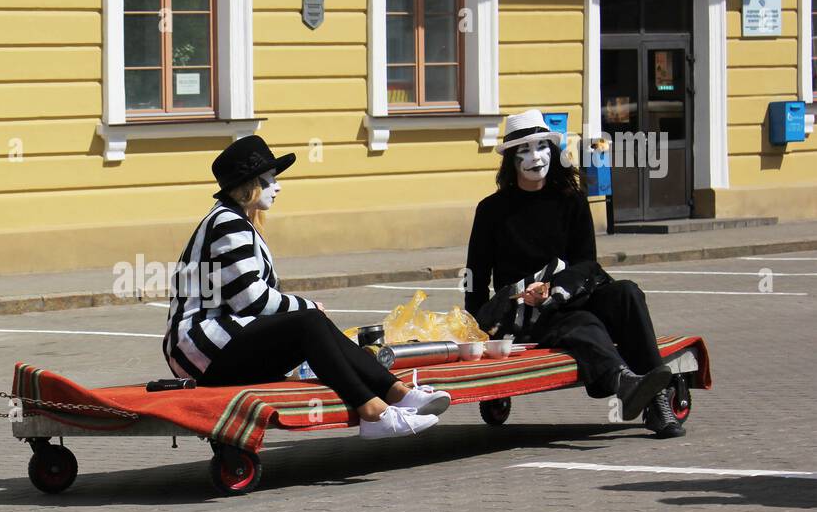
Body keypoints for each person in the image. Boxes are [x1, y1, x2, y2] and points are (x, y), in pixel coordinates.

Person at [163, 135, 450, 440]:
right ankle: (375, 410)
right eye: (271, 179)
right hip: (202, 350)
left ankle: (396, 393)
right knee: (309, 322)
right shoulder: (226, 222)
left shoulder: (233, 219)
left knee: (312, 324)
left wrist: (306, 311)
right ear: (250, 184)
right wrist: (308, 306)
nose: (278, 186)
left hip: (218, 348)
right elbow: (252, 301)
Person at [463, 109, 684, 438]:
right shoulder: (492, 210)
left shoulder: (572, 201)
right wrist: (477, 330)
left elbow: (586, 264)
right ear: (510, 160)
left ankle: (655, 394)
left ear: (552, 152)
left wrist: (553, 288)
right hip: (523, 311)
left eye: (541, 147)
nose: (535, 157)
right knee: (584, 324)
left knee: (627, 292)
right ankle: (632, 386)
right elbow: (476, 275)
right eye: (524, 150)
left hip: (569, 293)